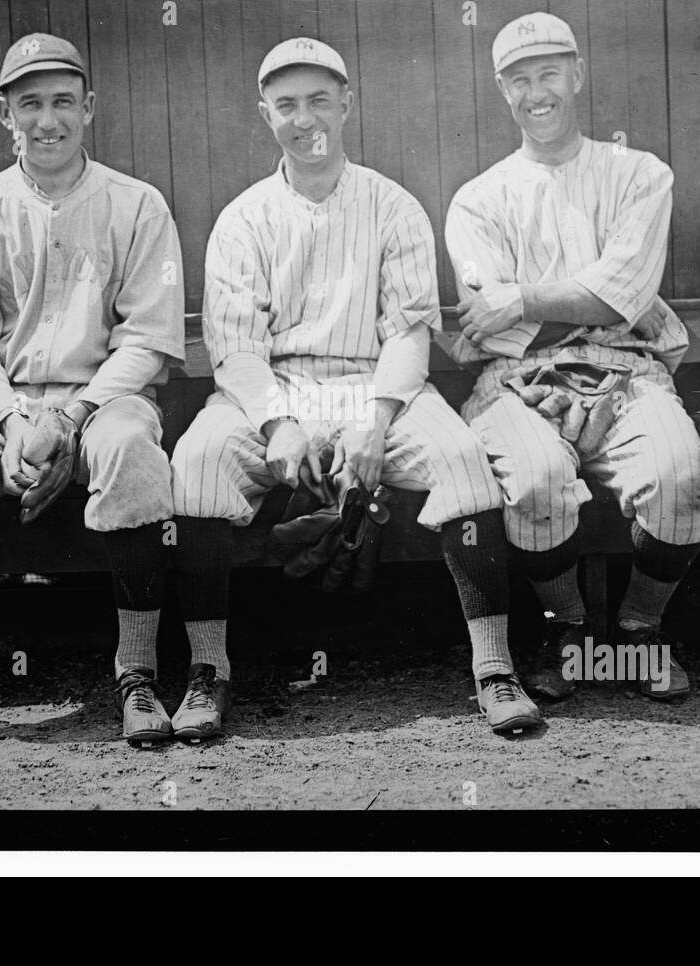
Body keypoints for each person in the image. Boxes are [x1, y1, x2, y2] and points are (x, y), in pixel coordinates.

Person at [168, 37, 542, 739]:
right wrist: (278, 424)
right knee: (196, 465)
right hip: (274, 391)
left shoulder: (392, 205)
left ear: (347, 103)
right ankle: (206, 672)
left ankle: (494, 668)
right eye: (286, 106)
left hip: (377, 389)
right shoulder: (243, 218)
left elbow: (408, 330)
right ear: (264, 114)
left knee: (461, 460)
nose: (304, 118)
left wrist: (375, 422)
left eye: (318, 100)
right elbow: (236, 347)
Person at [0, 34, 186, 750]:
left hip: (103, 400)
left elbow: (145, 339)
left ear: (88, 108)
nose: (47, 120)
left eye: (60, 102)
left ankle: (136, 677)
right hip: (0, 412)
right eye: (29, 104)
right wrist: (18, 420)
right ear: (3, 114)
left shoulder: (137, 205)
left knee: (133, 455)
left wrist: (71, 416)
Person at [446, 12, 700, 701]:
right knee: (536, 483)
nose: (537, 93)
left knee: (681, 478)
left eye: (549, 74)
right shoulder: (476, 199)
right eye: (519, 80)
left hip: (627, 366)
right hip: (513, 381)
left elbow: (623, 296)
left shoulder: (639, 174)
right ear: (502, 92)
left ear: (577, 76)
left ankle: (639, 628)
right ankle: (566, 627)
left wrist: (524, 299)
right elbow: (491, 325)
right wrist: (557, 302)